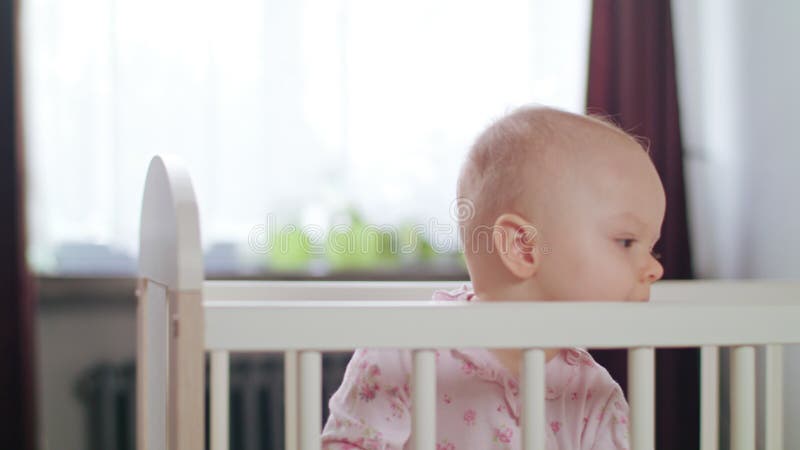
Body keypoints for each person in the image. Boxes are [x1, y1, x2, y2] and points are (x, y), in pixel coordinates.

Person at [321, 106, 665, 449]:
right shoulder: (403, 356)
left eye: (652, 248)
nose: (655, 268)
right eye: (626, 241)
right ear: (522, 247)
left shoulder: (594, 396)